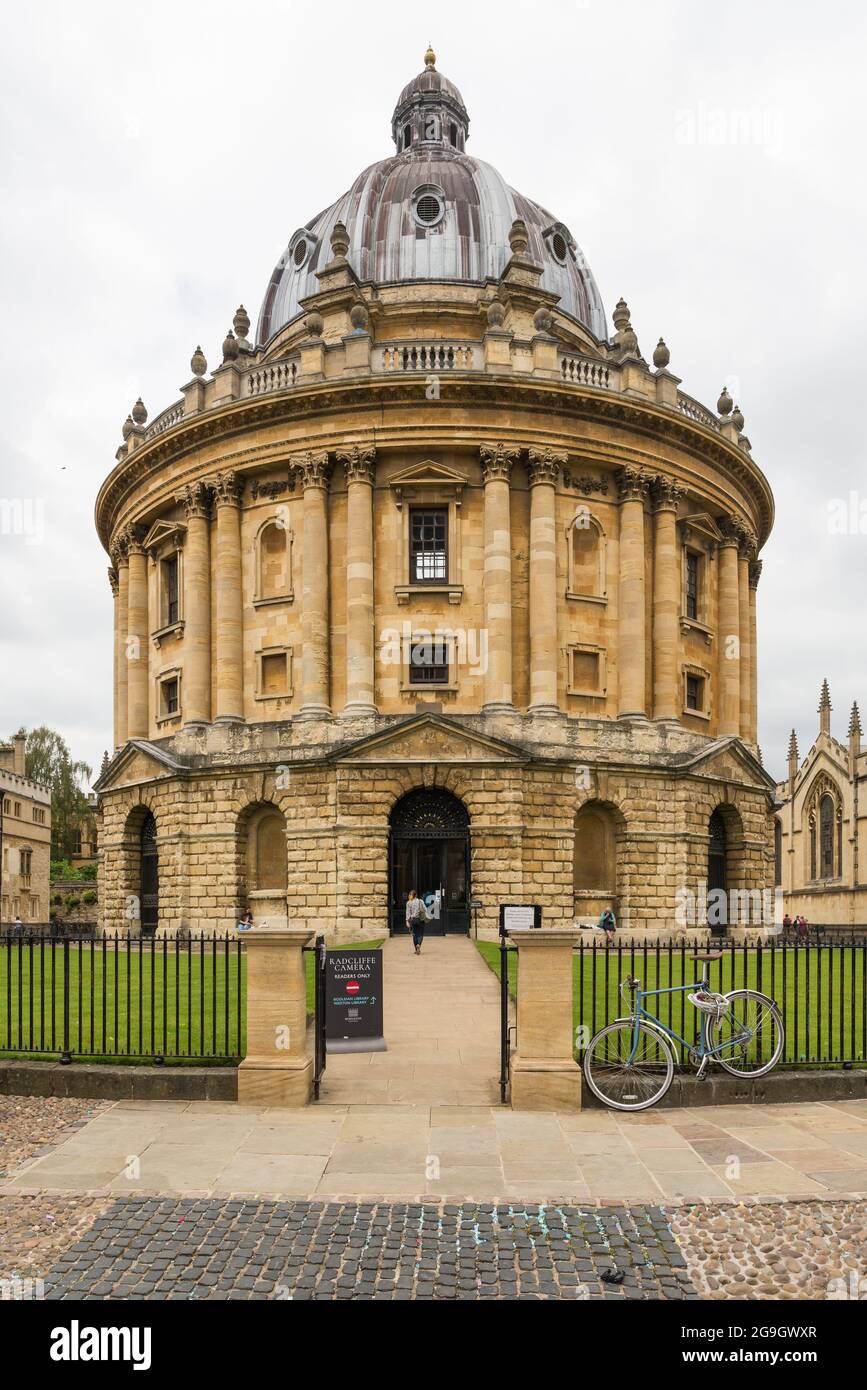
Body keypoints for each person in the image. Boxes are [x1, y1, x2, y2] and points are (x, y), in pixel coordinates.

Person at [406, 889, 427, 955]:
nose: (409, 896)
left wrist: (407, 921)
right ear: (416, 895)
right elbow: (425, 909)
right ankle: (419, 945)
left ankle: (416, 949)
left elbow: (408, 913)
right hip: (421, 919)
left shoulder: (408, 903)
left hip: (413, 920)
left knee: (415, 934)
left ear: (413, 895)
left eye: (410, 894)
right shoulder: (420, 901)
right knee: (420, 934)